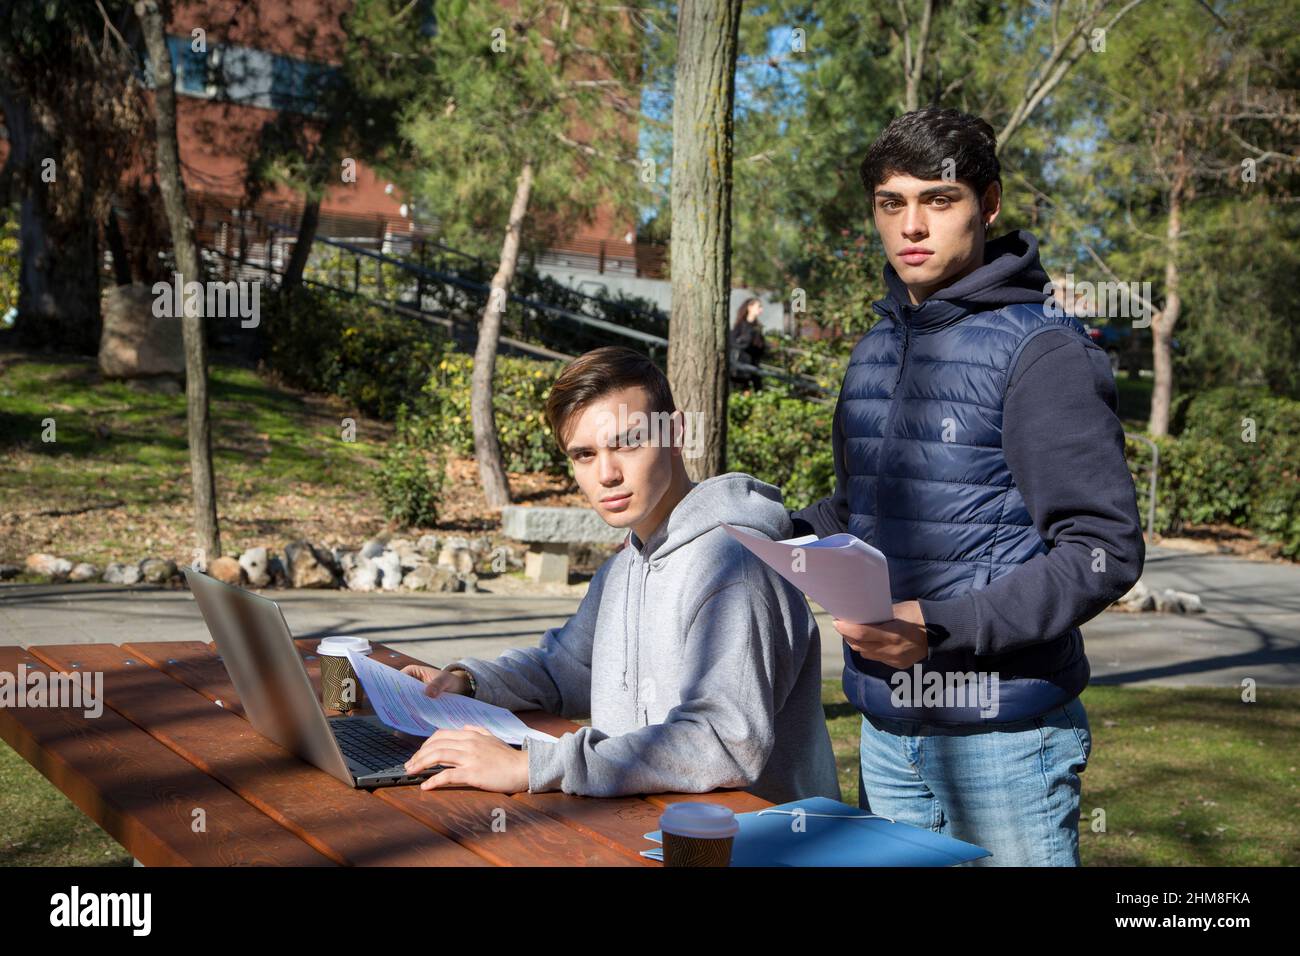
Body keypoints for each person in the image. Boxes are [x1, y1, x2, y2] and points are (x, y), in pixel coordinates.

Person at [789, 108, 1145, 865]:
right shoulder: (874, 352)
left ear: (988, 204)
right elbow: (859, 511)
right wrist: (753, 527)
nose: (912, 225)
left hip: (1006, 744)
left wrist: (943, 625)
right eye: (892, 204)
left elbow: (1101, 549)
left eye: (938, 200)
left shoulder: (1044, 352)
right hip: (886, 731)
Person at [401, 346, 841, 804]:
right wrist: (469, 682)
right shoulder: (625, 565)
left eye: (628, 443)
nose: (606, 474)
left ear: (675, 433)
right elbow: (565, 670)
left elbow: (723, 741)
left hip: (749, 844)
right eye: (584, 455)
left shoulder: (737, 567)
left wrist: (532, 765)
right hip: (639, 827)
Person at [729, 296, 767, 390]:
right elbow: (733, 342)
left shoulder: (757, 326)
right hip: (741, 365)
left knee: (757, 389)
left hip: (753, 364)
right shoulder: (741, 325)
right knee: (742, 389)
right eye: (759, 306)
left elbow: (760, 345)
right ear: (750, 307)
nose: (761, 309)